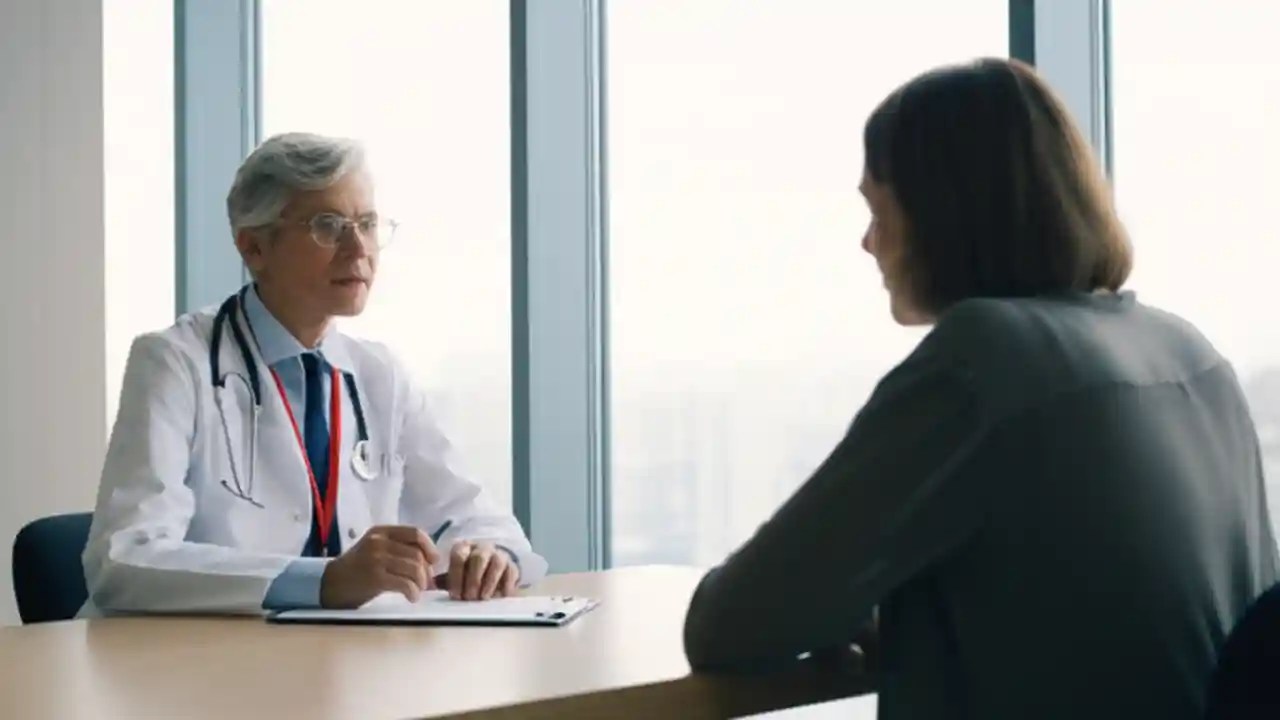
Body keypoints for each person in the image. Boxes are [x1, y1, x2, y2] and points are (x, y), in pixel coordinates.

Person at [681, 58, 1278, 719]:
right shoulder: (1190, 352)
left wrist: (836, 605)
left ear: (941, 215)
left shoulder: (985, 361)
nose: (868, 242)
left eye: (878, 209)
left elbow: (728, 624)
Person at [81, 133, 546, 616]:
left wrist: (492, 555)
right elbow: (124, 557)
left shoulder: (380, 375)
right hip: (187, 653)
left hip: (340, 653)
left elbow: (482, 520)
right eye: (328, 226)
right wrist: (322, 580)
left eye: (367, 224)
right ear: (253, 247)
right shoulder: (175, 362)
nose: (358, 248)